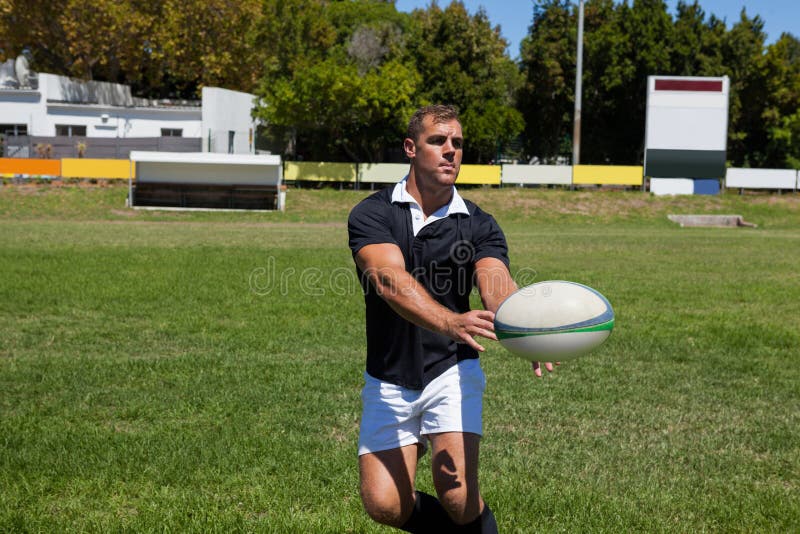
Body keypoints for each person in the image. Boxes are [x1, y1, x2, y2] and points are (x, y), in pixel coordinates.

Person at [348, 104, 555, 532]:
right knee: (385, 504)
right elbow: (387, 279)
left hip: (451, 371)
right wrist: (451, 321)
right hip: (388, 375)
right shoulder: (373, 213)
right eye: (438, 141)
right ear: (410, 148)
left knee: (458, 498)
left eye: (457, 143)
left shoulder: (478, 223)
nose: (450, 152)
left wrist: (524, 326)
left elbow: (495, 280)